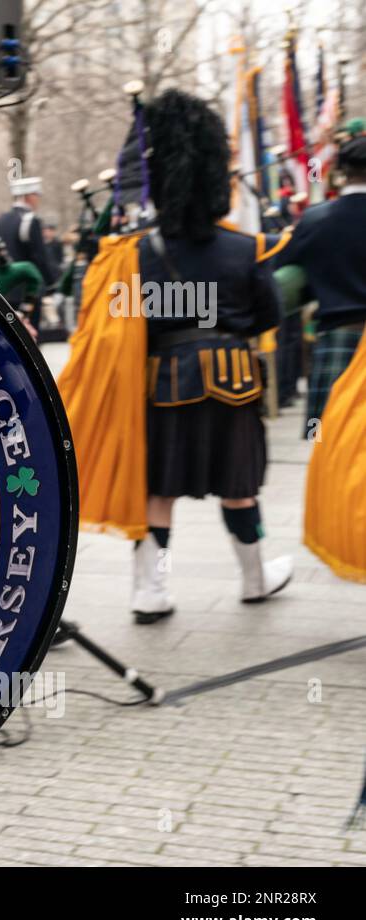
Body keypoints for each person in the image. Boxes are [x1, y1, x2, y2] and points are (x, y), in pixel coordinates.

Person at [126, 91, 292, 622]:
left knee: (159, 488)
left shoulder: (140, 250)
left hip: (166, 379)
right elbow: (270, 315)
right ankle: (254, 578)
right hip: (234, 377)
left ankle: (150, 591)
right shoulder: (243, 248)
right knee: (238, 487)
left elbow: (127, 321)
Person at [278, 135, 366, 438]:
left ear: (341, 171)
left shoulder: (314, 219)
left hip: (337, 338)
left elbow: (285, 273)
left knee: (329, 442)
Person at [0, 178, 59, 309]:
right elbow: (40, 256)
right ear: (29, 196)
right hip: (28, 289)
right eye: (36, 195)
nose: (38, 200)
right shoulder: (30, 220)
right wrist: (51, 284)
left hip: (6, 291)